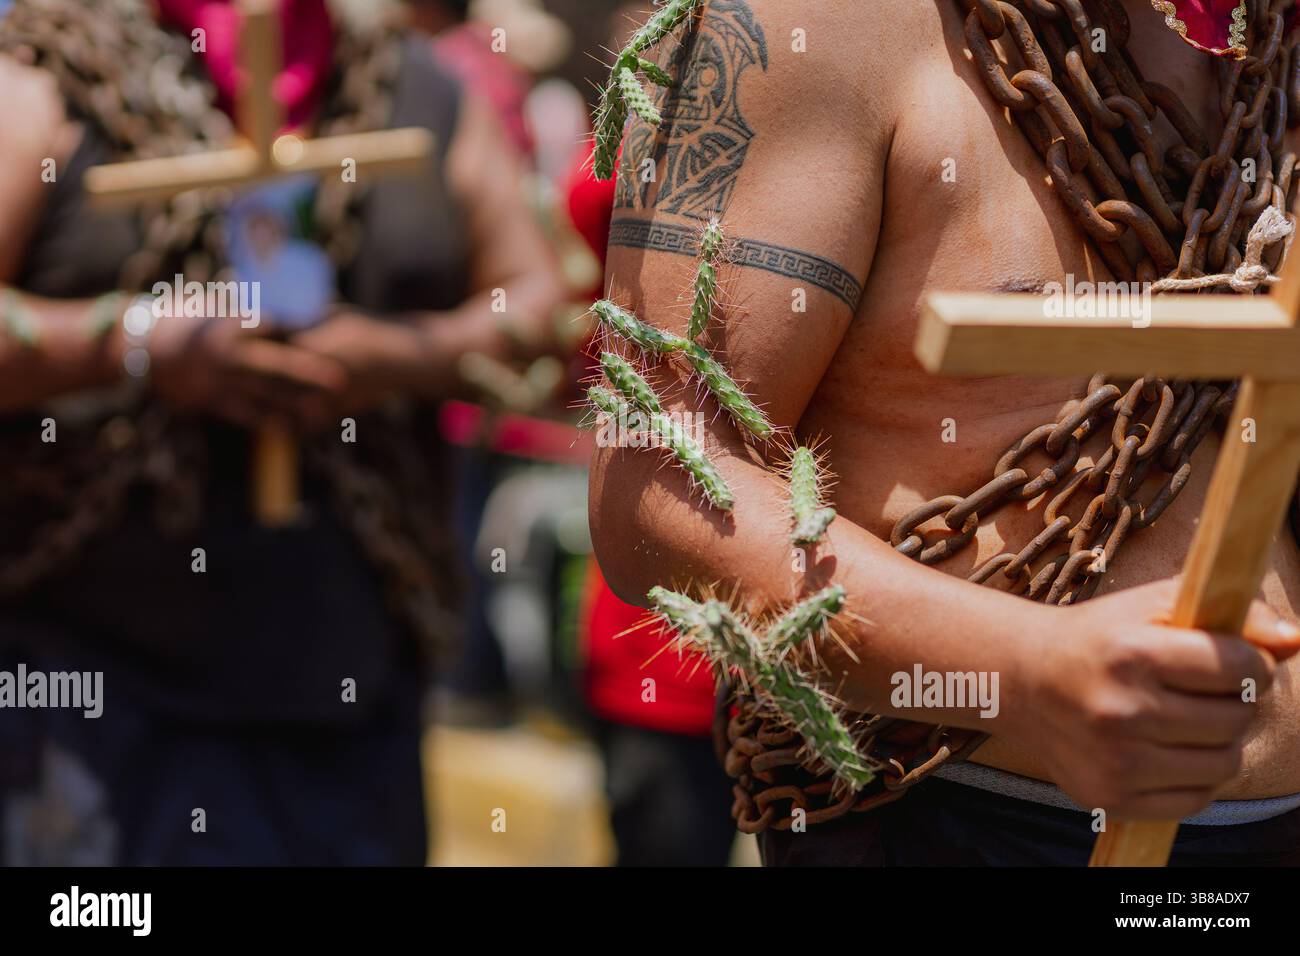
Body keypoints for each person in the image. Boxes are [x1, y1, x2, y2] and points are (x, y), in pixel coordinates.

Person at [589, 0, 1300, 866]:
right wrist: (1033, 672)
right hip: (954, 820)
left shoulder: (1268, 42)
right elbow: (653, 480)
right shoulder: (821, 22)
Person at [0, 0, 564, 865]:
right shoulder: (42, 76)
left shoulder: (417, 85)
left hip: (348, 693)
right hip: (90, 697)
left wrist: (393, 357)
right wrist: (141, 341)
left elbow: (538, 297)